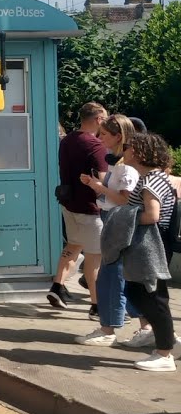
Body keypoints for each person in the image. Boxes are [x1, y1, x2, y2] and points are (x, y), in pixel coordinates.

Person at [76, 114, 149, 346]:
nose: (100, 138)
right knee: (122, 276)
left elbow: (124, 200)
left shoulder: (125, 168)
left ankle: (109, 328)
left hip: (119, 221)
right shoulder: (118, 163)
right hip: (115, 218)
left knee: (111, 275)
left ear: (118, 136)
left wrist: (98, 186)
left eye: (105, 134)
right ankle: (143, 327)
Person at [112, 132, 176, 371]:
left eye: (128, 147)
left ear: (139, 153)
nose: (124, 150)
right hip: (150, 245)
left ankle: (165, 353)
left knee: (151, 297)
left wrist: (124, 218)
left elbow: (152, 215)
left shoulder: (150, 181)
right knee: (139, 292)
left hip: (152, 246)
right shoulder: (152, 177)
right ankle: (165, 342)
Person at [49, 102, 109, 310]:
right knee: (95, 257)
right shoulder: (95, 145)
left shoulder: (68, 140)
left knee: (73, 245)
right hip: (90, 208)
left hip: (69, 203)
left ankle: (57, 286)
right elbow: (103, 179)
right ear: (98, 120)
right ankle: (96, 305)